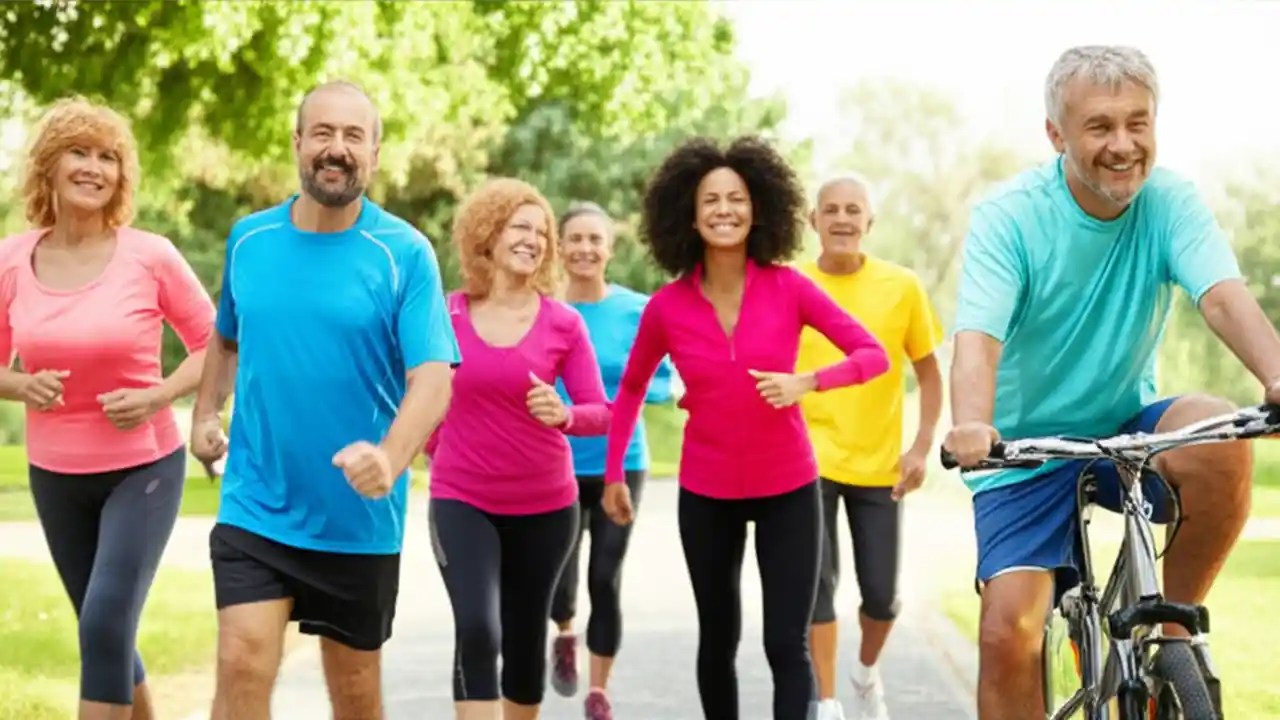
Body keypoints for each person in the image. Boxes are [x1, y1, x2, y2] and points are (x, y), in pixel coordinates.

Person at [941, 45, 1280, 720]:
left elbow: (1220, 298)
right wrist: (973, 423)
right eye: (1099, 127)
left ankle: (1169, 632)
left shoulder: (1171, 203)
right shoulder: (1009, 218)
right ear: (1056, 134)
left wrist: (1275, 373)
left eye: (1138, 123)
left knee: (1217, 431)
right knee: (1007, 633)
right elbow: (978, 340)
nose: (1123, 145)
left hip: (1126, 424)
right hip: (1021, 450)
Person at [189, 80, 460, 720]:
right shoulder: (249, 240)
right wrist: (205, 414)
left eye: (353, 136)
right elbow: (226, 341)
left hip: (356, 519)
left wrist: (391, 459)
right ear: (298, 144)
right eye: (323, 133)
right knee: (241, 663)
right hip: (257, 502)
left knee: (356, 695)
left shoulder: (404, 253)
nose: (336, 149)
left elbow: (435, 379)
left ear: (374, 152)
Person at [601, 136, 892, 720]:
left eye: (736, 198)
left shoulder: (789, 288)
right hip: (707, 494)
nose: (724, 210)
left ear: (759, 206)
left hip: (789, 489)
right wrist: (613, 475)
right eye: (711, 199)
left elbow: (873, 354)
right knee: (717, 641)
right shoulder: (667, 307)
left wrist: (806, 382)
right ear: (689, 211)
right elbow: (631, 388)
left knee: (785, 643)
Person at [0, 97, 214, 720]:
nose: (94, 167)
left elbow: (219, 345)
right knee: (108, 633)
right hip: (54, 472)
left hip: (142, 467)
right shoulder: (12, 258)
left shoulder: (151, 255)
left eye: (109, 157)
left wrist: (160, 394)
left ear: (122, 175)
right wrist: (20, 386)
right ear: (49, 166)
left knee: (103, 621)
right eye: (79, 152)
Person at [426, 178, 612, 720]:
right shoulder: (448, 312)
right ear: (488, 233)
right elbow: (421, 390)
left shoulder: (564, 323)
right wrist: (431, 444)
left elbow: (602, 412)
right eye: (519, 227)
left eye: (541, 232)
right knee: (479, 628)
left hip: (546, 508)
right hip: (463, 499)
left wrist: (566, 415)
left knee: (526, 638)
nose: (533, 239)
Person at [796, 175, 944, 720]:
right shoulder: (789, 284)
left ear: (869, 222)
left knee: (881, 596)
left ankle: (862, 673)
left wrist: (921, 447)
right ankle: (828, 700)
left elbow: (929, 373)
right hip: (805, 461)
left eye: (852, 210)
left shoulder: (900, 287)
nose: (841, 219)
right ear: (812, 221)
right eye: (830, 209)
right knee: (818, 587)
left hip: (880, 466)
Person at [547, 201, 676, 719]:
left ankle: (599, 692)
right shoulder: (544, 308)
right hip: (552, 462)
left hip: (622, 462)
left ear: (610, 249)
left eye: (594, 240)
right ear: (560, 248)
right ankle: (563, 632)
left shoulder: (639, 311)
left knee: (605, 574)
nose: (584, 249)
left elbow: (664, 381)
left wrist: (624, 402)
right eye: (574, 239)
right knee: (561, 573)